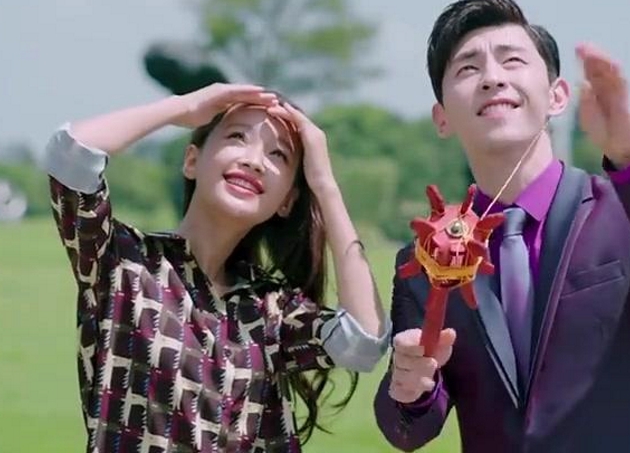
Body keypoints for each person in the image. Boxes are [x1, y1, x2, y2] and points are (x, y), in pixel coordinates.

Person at [373, 0, 630, 452]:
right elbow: (408, 430)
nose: (492, 78)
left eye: (512, 60)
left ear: (557, 96)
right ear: (442, 118)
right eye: (467, 68)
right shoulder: (426, 260)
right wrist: (412, 391)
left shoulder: (629, 209)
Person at [43, 82, 390, 452]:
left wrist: (325, 185)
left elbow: (363, 342)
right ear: (192, 161)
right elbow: (72, 154)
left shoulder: (272, 310)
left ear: (286, 201)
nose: (254, 160)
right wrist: (183, 107)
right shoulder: (124, 263)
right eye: (237, 137)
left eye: (278, 155)